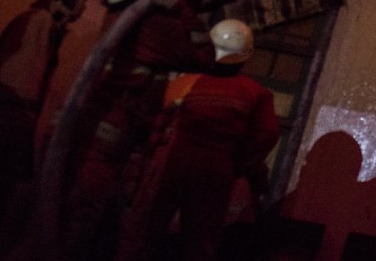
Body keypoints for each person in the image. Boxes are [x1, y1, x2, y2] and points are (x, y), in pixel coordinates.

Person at [60, 0, 215, 261]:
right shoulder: (154, 26)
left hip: (88, 140)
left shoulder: (120, 16)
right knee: (75, 236)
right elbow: (205, 56)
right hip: (106, 153)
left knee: (62, 222)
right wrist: (182, 9)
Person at [116, 18, 278, 261]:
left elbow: (154, 124)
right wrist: (238, 164)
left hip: (170, 158)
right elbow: (266, 135)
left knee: (143, 231)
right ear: (246, 55)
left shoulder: (183, 83)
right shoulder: (256, 94)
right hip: (216, 167)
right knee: (200, 241)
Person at [0, 0, 98, 245]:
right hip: (2, 138)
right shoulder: (39, 23)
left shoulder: (44, 24)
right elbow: (16, 93)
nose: (85, 7)